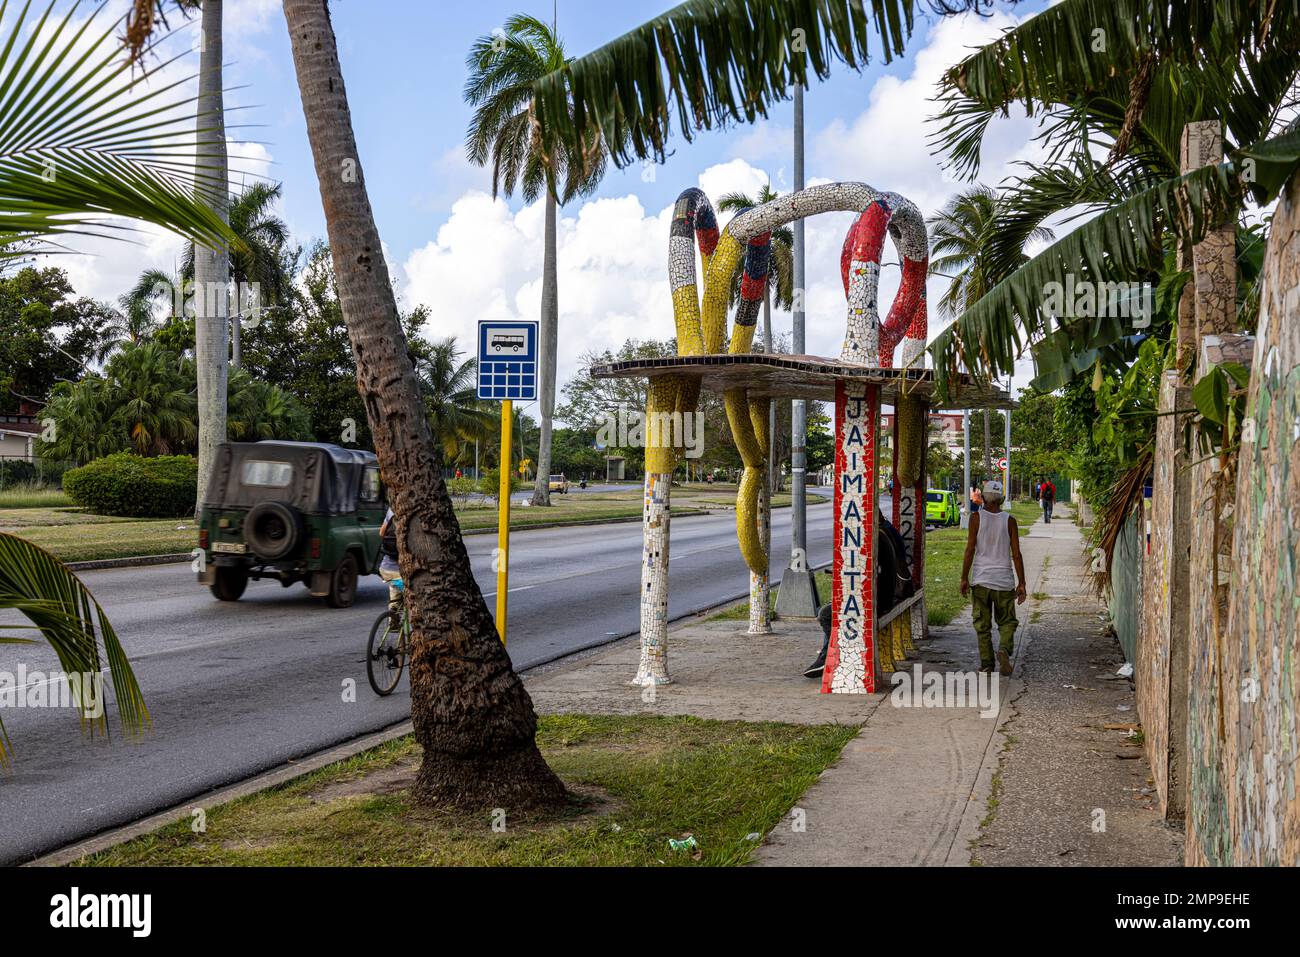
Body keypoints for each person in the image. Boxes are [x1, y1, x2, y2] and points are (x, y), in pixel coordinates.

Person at [960, 480, 1027, 676]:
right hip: (1004, 580)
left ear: (985, 497)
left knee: (982, 624)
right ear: (1000, 498)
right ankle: (1004, 650)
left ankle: (987, 664)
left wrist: (964, 577)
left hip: (981, 579)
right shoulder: (1010, 520)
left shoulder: (975, 518)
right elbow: (1016, 554)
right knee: (1007, 622)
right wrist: (1021, 582)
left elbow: (970, 549)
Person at [378, 507, 402, 619]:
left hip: (386, 568)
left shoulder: (392, 509)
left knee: (395, 591)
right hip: (402, 572)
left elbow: (381, 532)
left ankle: (393, 616)